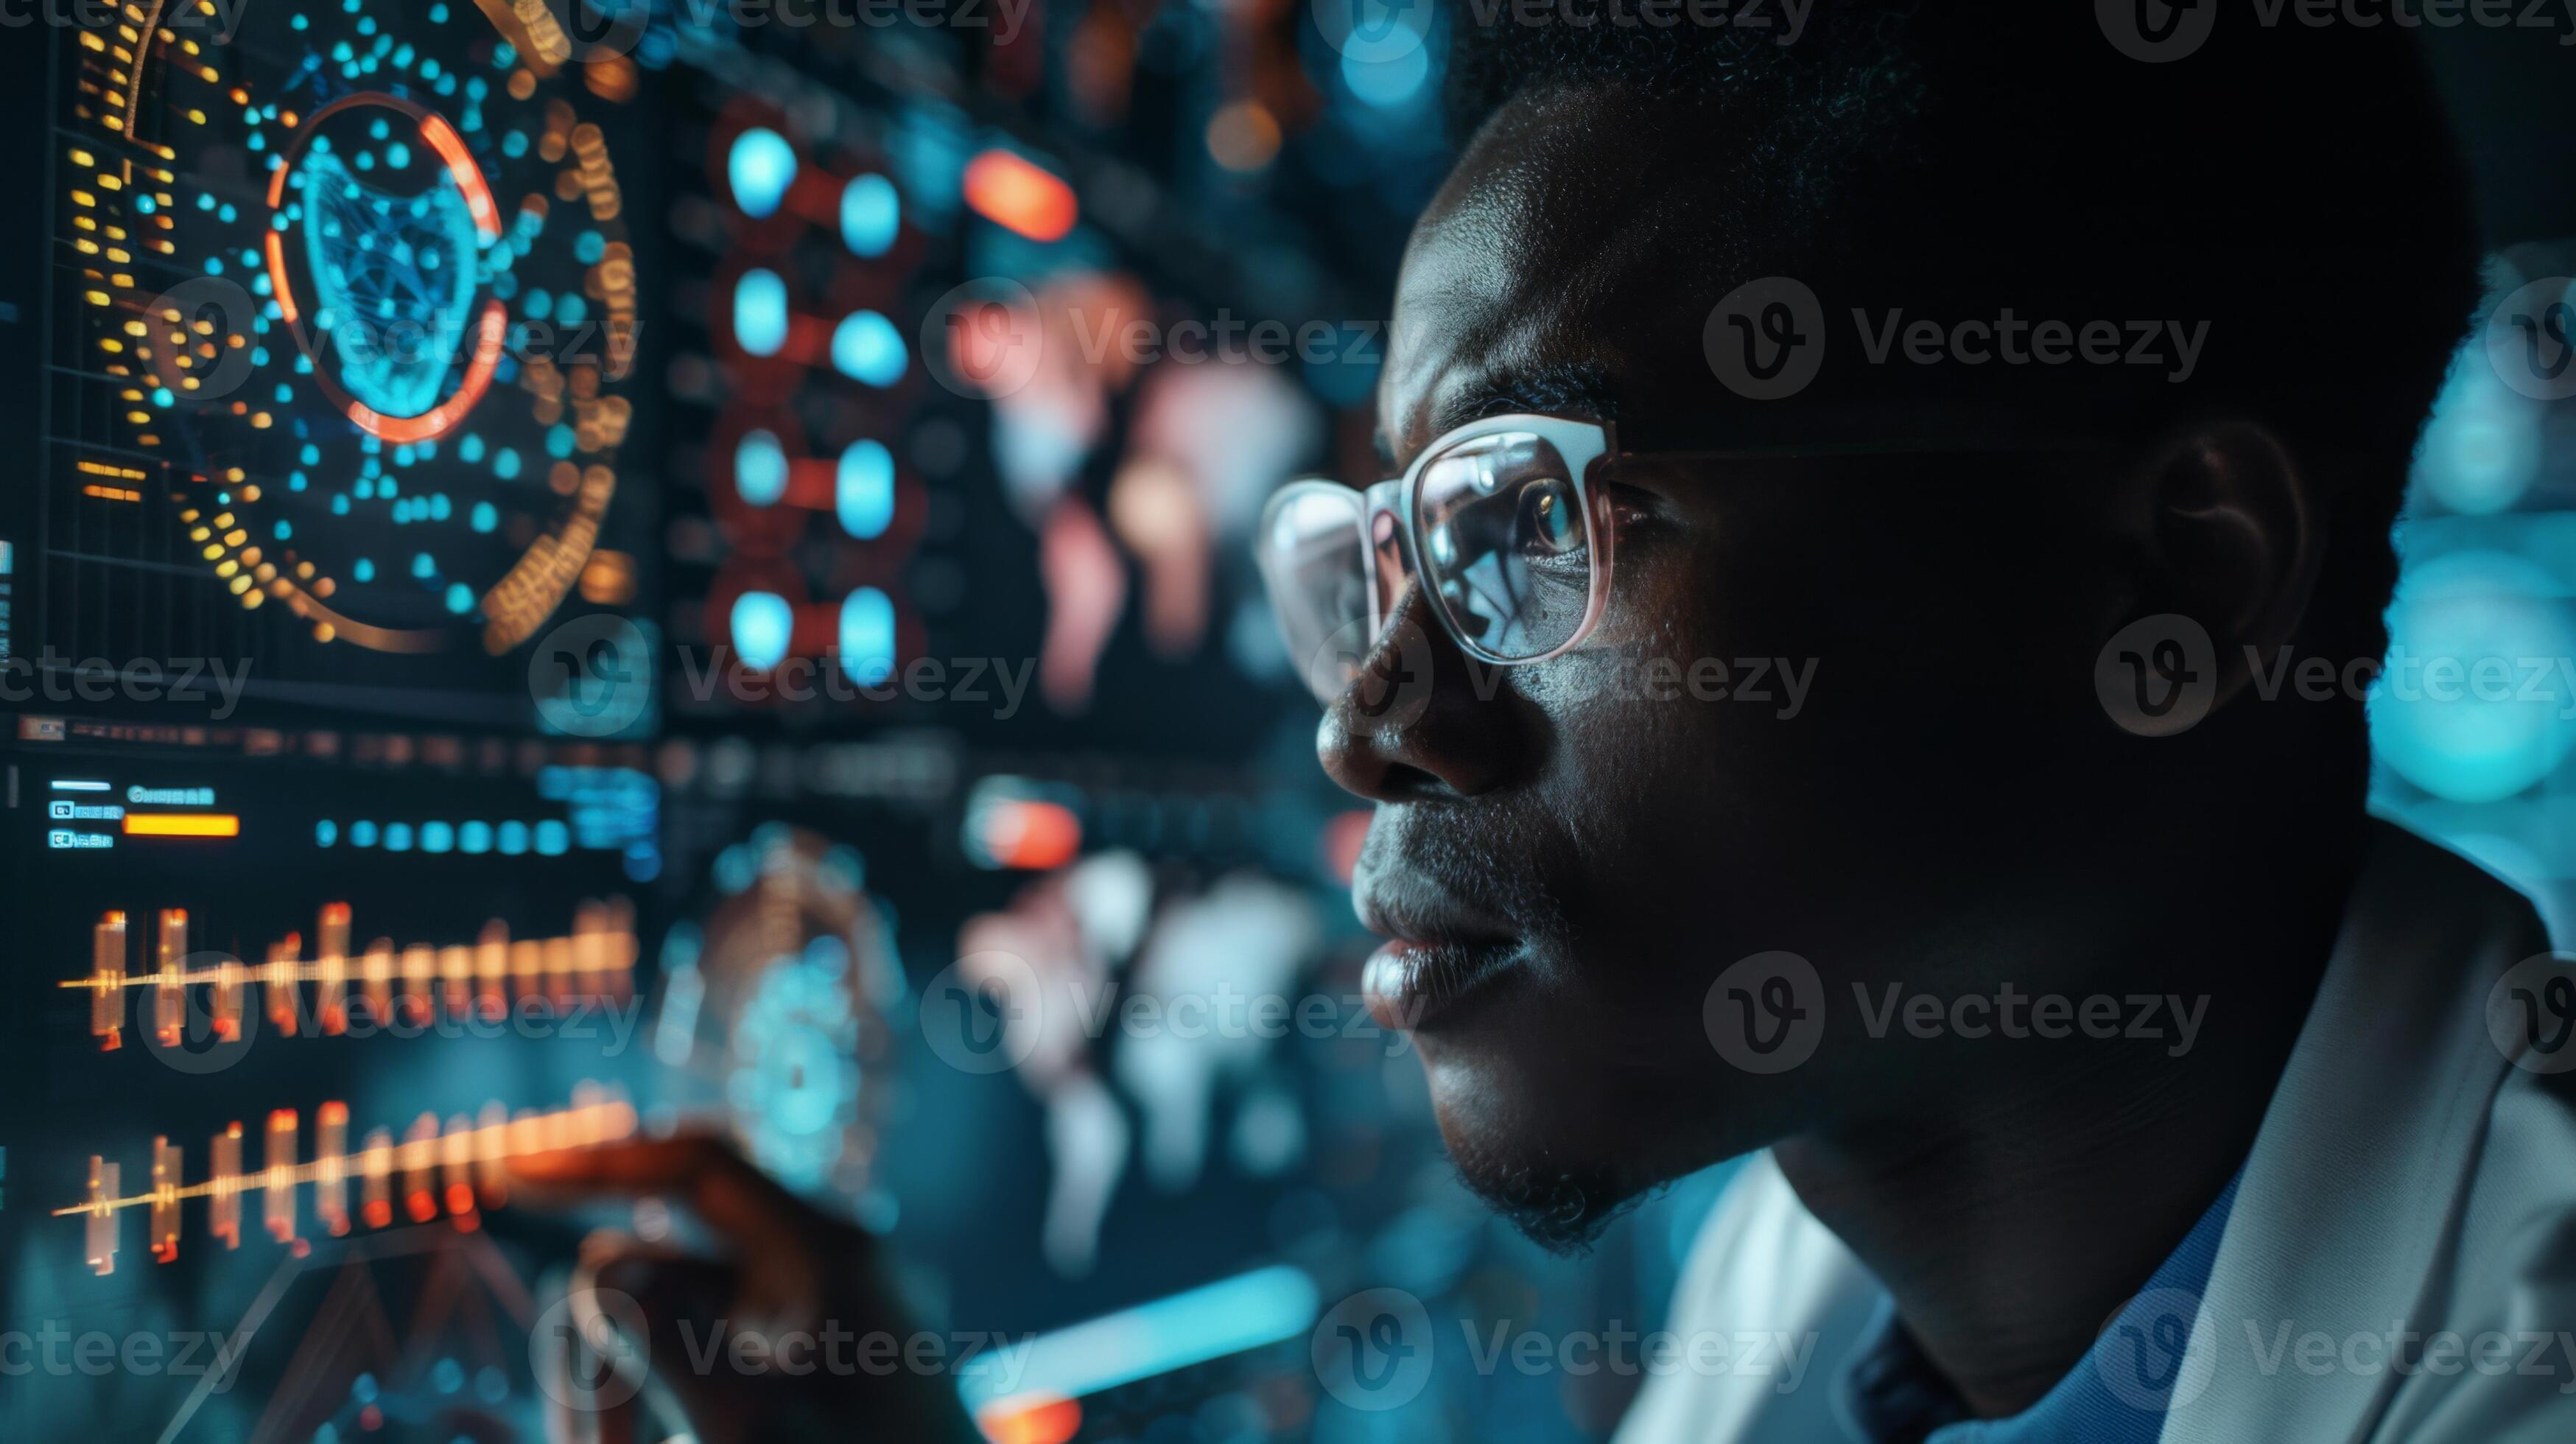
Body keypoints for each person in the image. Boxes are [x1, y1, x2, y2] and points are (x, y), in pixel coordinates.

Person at [518, 7, 2576, 1441]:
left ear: (2182, 584)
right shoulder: (1817, 1271)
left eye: (1523, 525)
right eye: (1373, 571)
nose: (1371, 725)